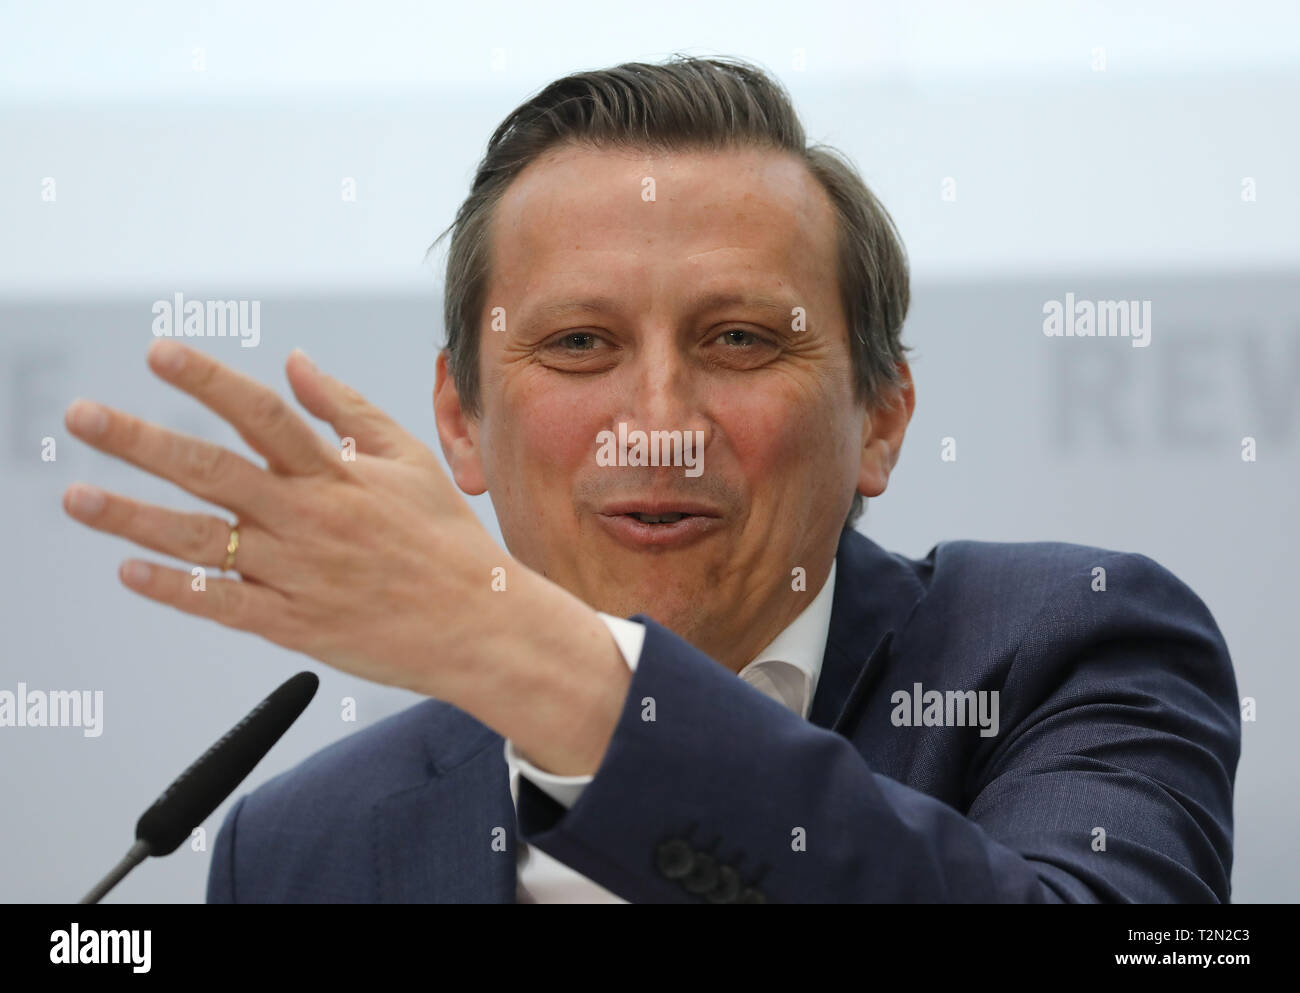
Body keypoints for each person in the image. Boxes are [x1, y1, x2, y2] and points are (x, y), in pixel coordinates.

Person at [62, 55, 1238, 903]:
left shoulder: (1066, 646)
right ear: (459, 424)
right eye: (578, 345)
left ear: (881, 418)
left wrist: (530, 659)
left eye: (739, 341)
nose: (659, 429)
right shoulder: (300, 846)